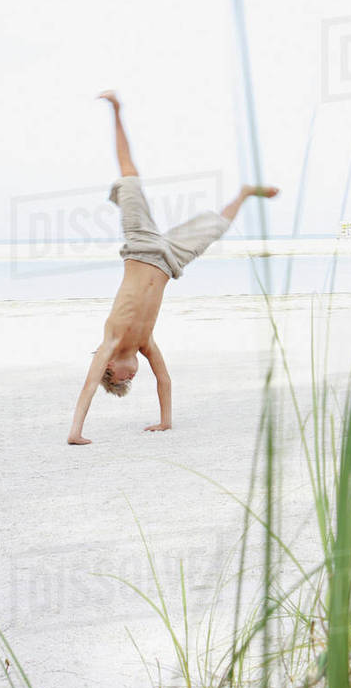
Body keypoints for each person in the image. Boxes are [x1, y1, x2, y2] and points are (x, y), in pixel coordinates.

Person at [67, 92, 278, 444]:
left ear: (109, 369)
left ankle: (117, 110)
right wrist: (165, 422)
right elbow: (164, 379)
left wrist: (76, 432)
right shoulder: (145, 343)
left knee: (130, 180)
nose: (131, 378)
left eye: (123, 380)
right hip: (170, 260)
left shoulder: (112, 341)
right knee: (216, 228)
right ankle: (243, 194)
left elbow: (89, 386)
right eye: (130, 382)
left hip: (142, 245)